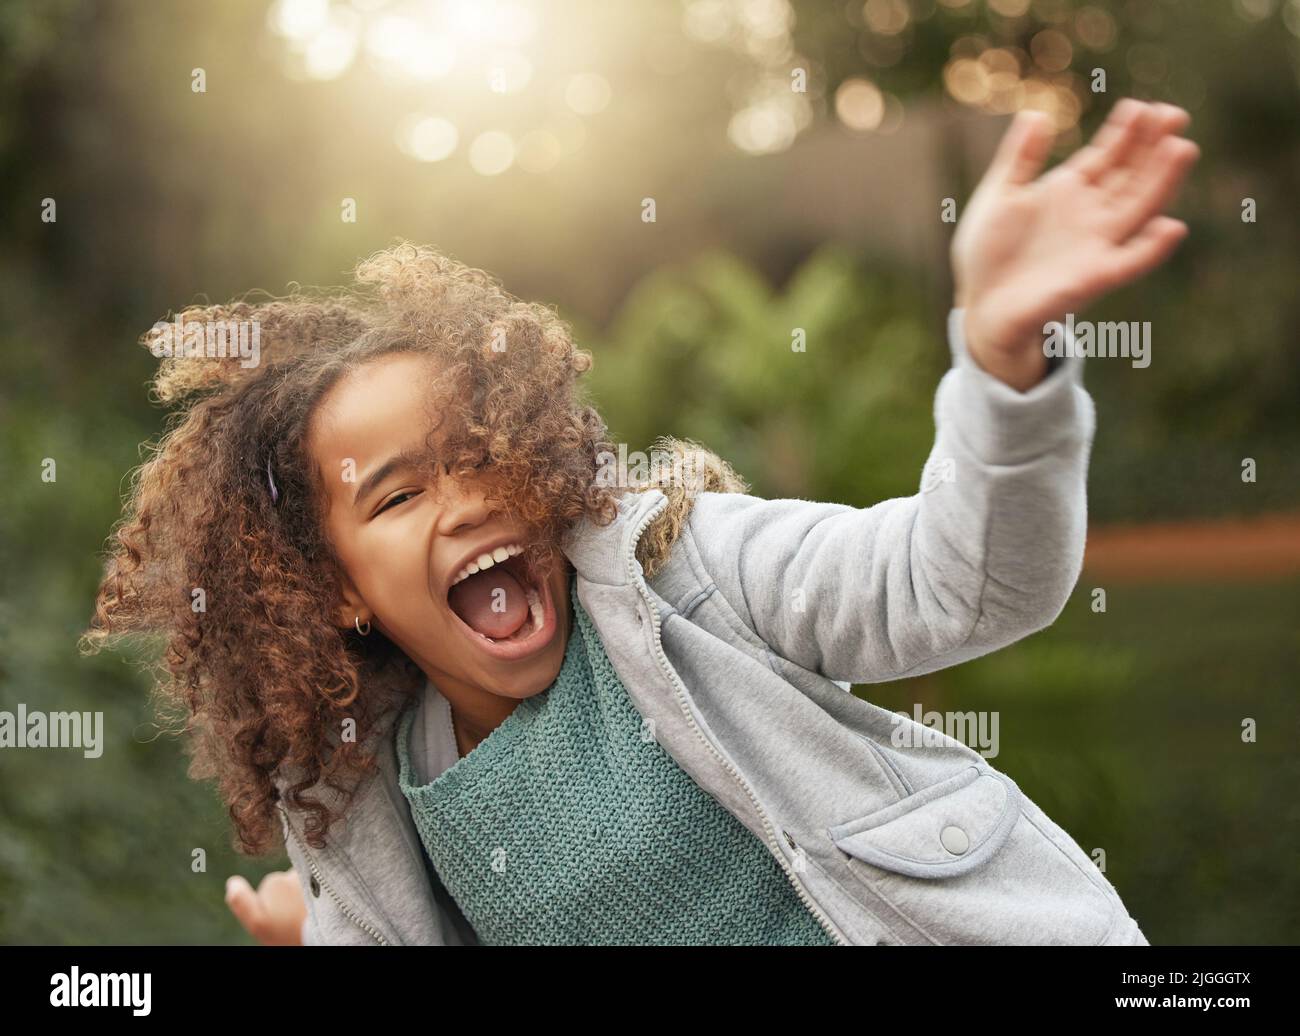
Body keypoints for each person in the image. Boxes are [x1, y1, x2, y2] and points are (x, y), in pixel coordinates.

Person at [87, 99, 1198, 945]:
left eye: (479, 449)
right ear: (331, 584)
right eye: (398, 492)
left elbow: (958, 583)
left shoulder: (680, 562)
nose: (467, 495)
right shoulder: (359, 783)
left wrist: (1006, 370)